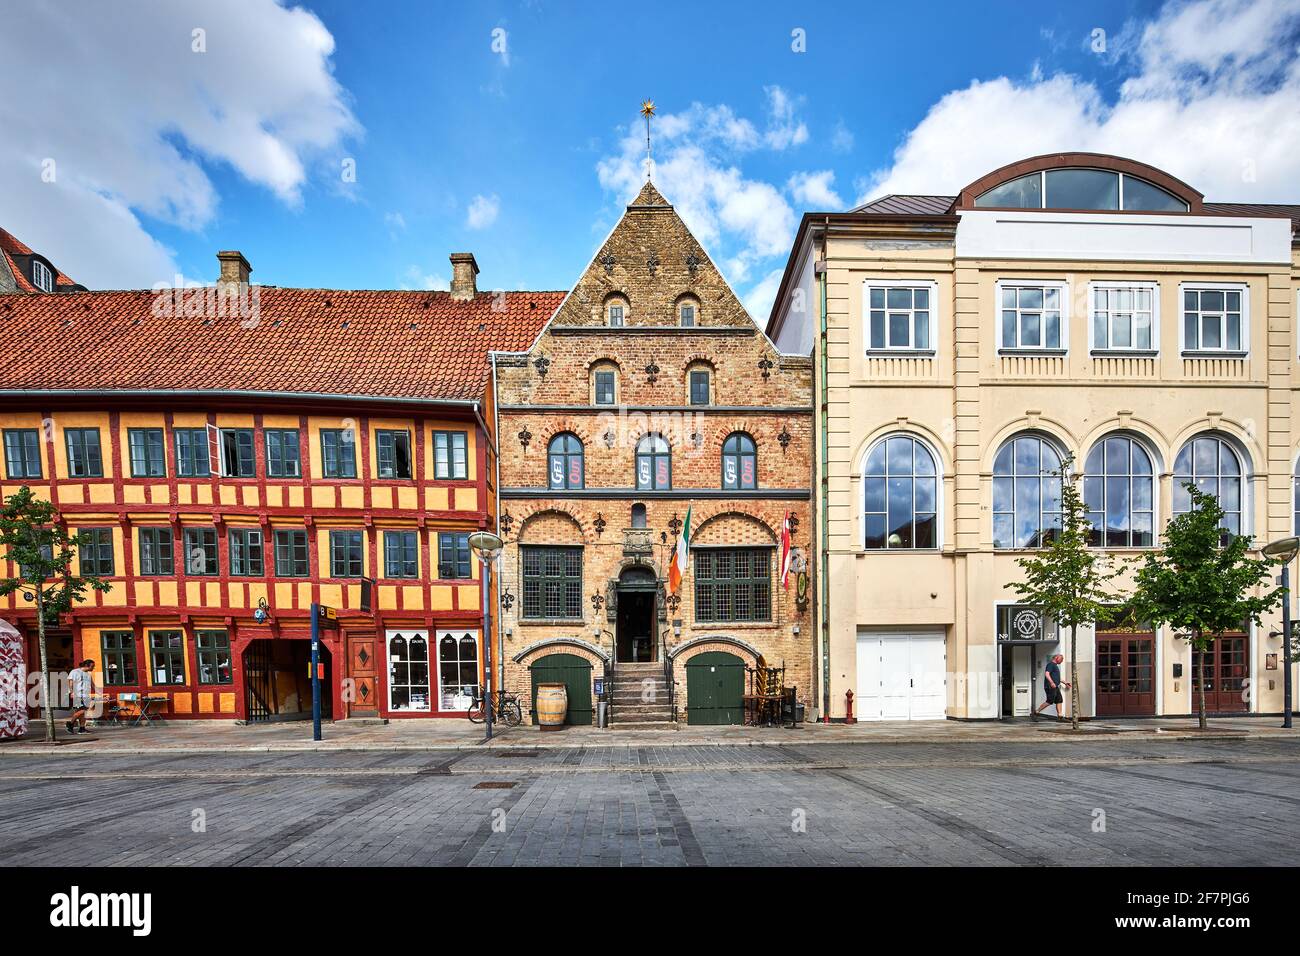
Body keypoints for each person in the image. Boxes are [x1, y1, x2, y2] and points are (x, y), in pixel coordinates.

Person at [1034, 653, 1071, 721]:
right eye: (1061, 659)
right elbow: (1047, 674)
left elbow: (1057, 678)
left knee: (1059, 700)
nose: (1062, 661)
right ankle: (1036, 712)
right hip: (1050, 686)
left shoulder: (1055, 666)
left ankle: (1060, 717)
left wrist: (1065, 682)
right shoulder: (1050, 665)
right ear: (1056, 657)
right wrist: (1051, 682)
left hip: (1055, 686)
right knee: (1050, 701)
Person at [66, 659, 95, 735]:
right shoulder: (75, 672)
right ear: (86, 665)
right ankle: (70, 724)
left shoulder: (88, 674)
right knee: (83, 710)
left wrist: (100, 693)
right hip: (78, 695)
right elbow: (70, 682)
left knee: (83, 712)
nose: (93, 668)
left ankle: (82, 729)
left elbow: (92, 685)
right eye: (92, 666)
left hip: (86, 695)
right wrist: (71, 692)